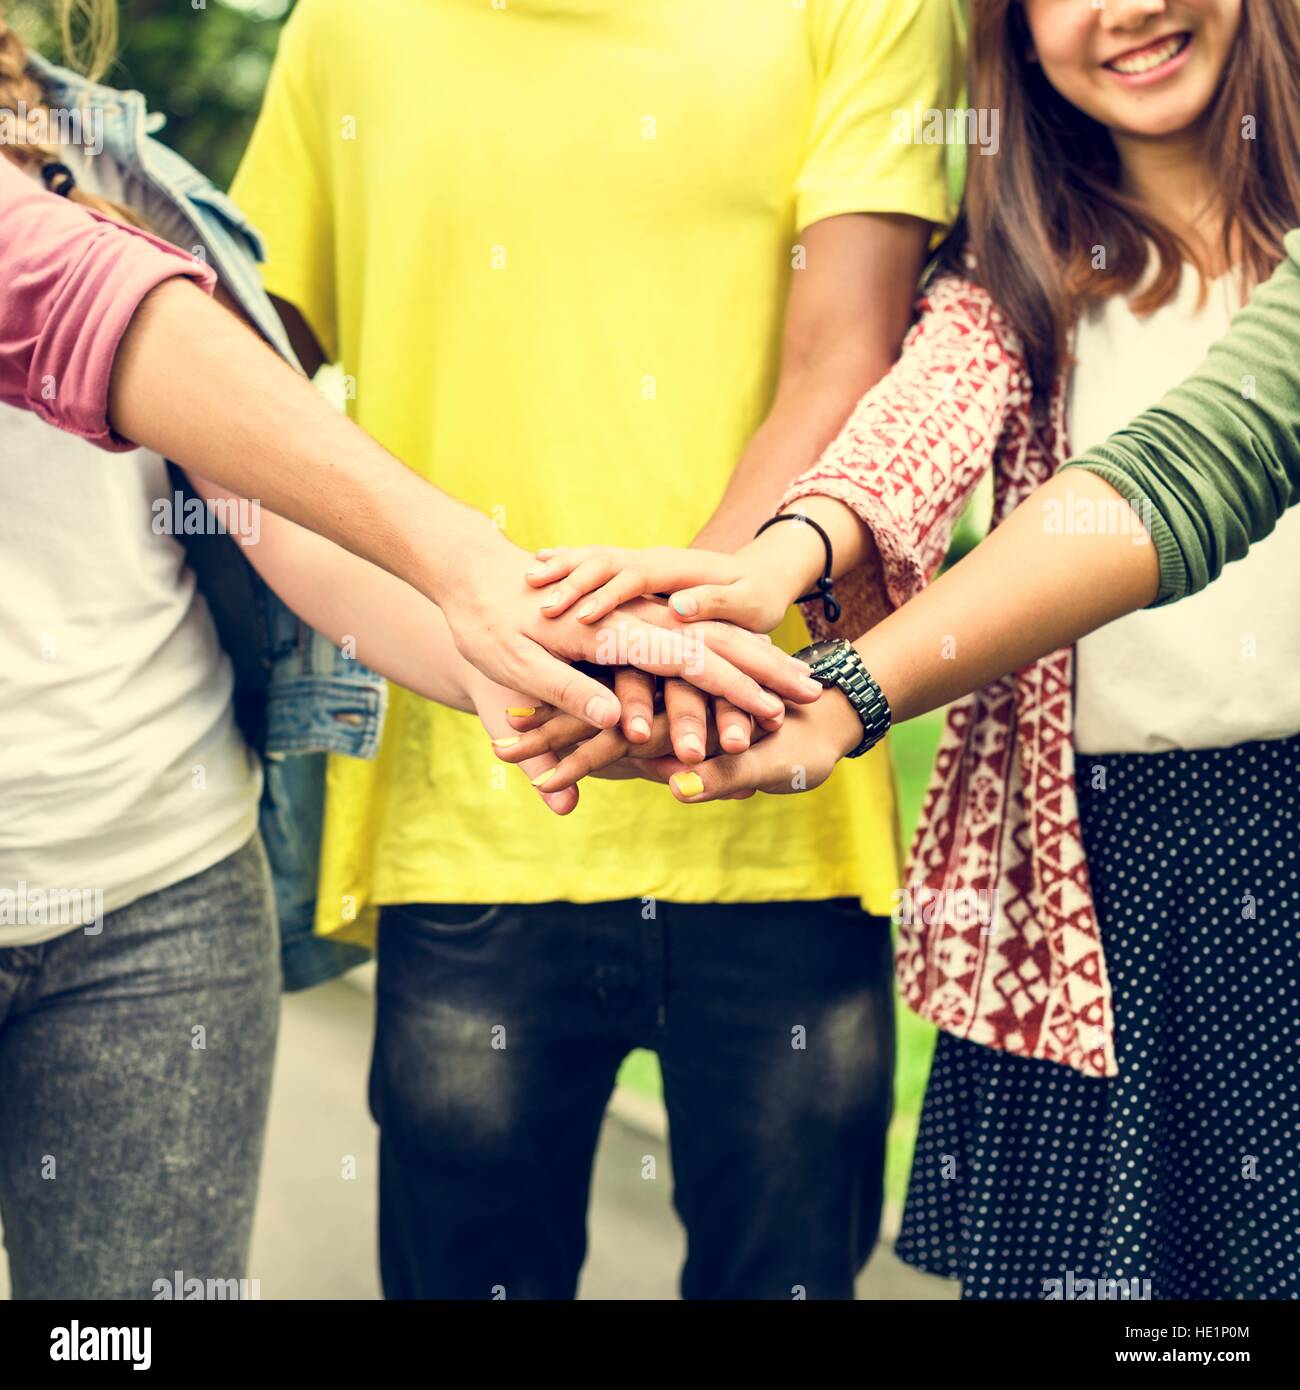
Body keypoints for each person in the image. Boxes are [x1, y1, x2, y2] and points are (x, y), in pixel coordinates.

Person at [0, 5, 807, 1298]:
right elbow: (78, 300)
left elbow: (253, 498)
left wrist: (500, 659)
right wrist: (470, 563)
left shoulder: (102, 147)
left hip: (159, 882)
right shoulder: (73, 220)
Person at [511, 0, 1300, 1299]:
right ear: (1016, 32)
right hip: (1096, 864)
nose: (1132, 9)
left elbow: (1204, 464)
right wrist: (767, 570)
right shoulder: (1016, 275)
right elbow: (916, 423)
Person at [231, 0, 962, 1298]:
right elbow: (246, 408)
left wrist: (662, 654)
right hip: (475, 805)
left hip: (774, 797)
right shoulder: (344, 29)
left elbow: (847, 352)